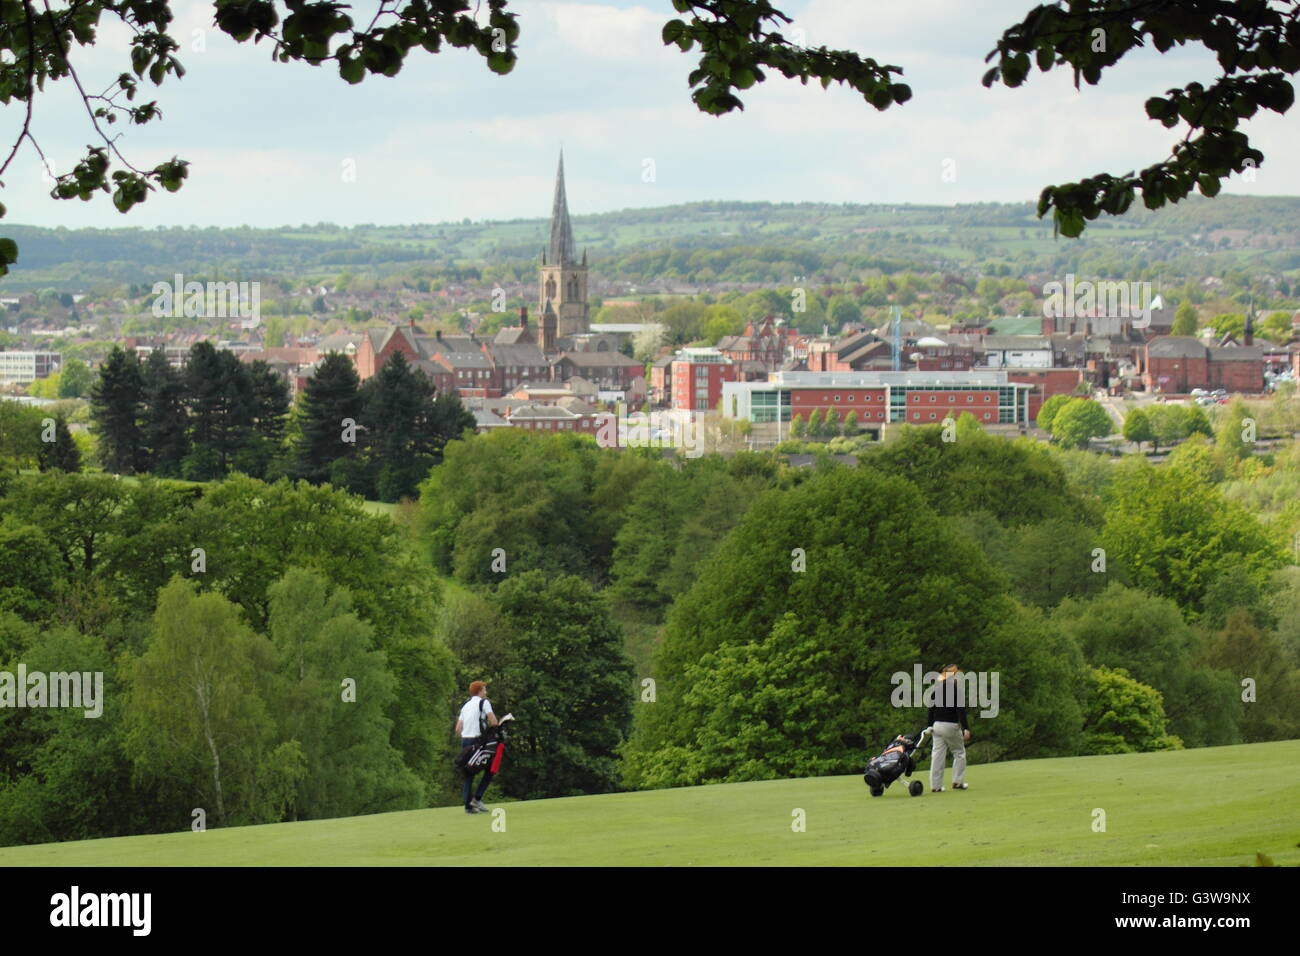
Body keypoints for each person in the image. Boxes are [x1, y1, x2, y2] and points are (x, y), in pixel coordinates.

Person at [455, 680, 499, 814]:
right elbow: (494, 721)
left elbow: (458, 728)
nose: (486, 692)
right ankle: (477, 798)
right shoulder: (484, 702)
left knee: (469, 773)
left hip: (465, 742)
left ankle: (469, 806)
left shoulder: (465, 706)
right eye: (484, 689)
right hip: (478, 741)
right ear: (480, 691)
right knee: (491, 768)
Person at [926, 664, 971, 792]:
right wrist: (965, 728)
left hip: (936, 726)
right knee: (959, 752)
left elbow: (931, 709)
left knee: (937, 756)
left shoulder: (936, 689)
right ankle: (958, 782)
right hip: (950, 725)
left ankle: (936, 786)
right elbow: (960, 710)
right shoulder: (957, 691)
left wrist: (929, 725)